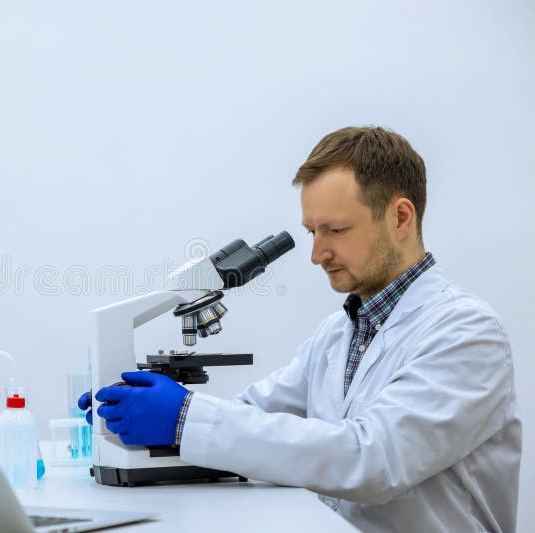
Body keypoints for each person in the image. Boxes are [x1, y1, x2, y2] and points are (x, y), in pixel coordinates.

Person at [81, 126, 522, 532]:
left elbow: (373, 459)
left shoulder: (467, 333)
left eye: (336, 230)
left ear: (401, 218)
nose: (316, 254)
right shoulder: (337, 334)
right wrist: (133, 412)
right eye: (312, 231)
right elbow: (255, 420)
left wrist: (183, 417)